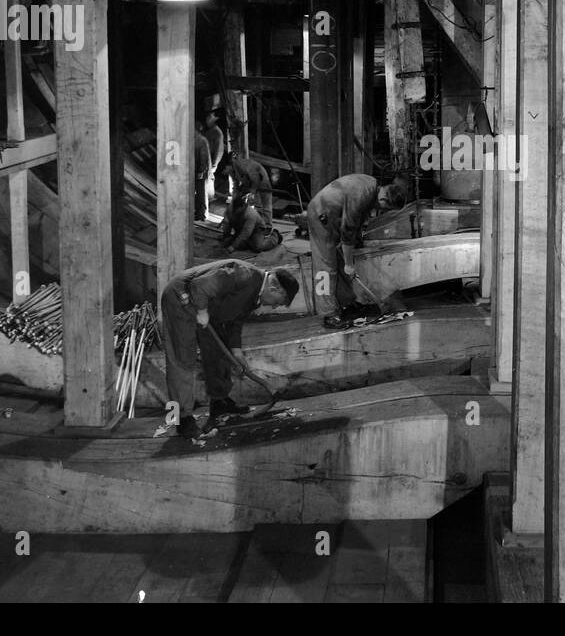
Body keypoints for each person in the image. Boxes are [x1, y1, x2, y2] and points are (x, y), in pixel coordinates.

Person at [159, 260, 300, 438]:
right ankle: (182, 419)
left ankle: (219, 400)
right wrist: (202, 312)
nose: (274, 306)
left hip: (209, 308)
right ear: (274, 288)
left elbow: (235, 320)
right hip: (182, 299)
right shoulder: (244, 274)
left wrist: (236, 352)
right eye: (279, 302)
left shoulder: (255, 294)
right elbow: (199, 287)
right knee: (182, 359)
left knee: (218, 350)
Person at [306, 173, 406, 328]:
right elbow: (348, 231)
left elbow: (358, 221)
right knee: (325, 267)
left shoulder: (373, 187)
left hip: (333, 216)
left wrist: (353, 250)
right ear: (384, 199)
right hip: (321, 215)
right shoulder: (361, 195)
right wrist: (349, 264)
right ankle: (328, 315)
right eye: (386, 208)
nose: (382, 211)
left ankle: (347, 304)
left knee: (338, 263)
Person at [219, 189, 281, 254]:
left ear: (242, 207)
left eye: (238, 209)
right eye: (235, 209)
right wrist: (225, 236)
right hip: (240, 228)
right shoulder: (230, 209)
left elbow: (246, 232)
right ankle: (247, 242)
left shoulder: (251, 214)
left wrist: (233, 247)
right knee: (229, 242)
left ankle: (275, 236)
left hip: (257, 230)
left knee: (257, 247)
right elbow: (227, 224)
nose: (236, 211)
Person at [194, 121, 212, 221]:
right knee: (198, 193)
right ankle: (198, 212)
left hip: (201, 172)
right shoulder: (195, 140)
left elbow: (204, 157)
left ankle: (202, 214)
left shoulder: (201, 140)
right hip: (196, 170)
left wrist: (201, 171)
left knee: (201, 193)